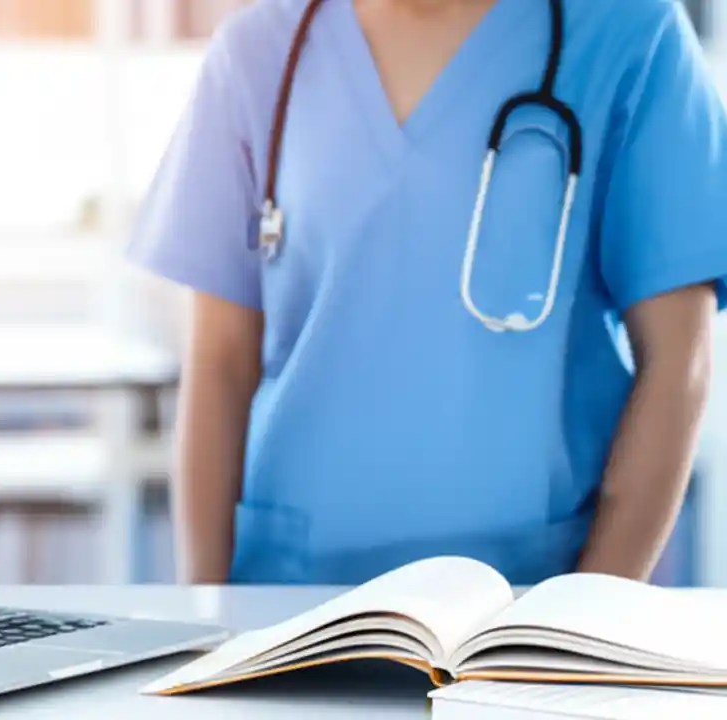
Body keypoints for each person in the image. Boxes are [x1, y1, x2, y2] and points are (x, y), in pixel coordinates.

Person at [130, 0, 727, 585]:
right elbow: (219, 364)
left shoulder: (629, 34)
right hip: (283, 600)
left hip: (532, 595)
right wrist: (204, 624)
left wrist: (586, 616)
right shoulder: (259, 52)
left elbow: (679, 360)